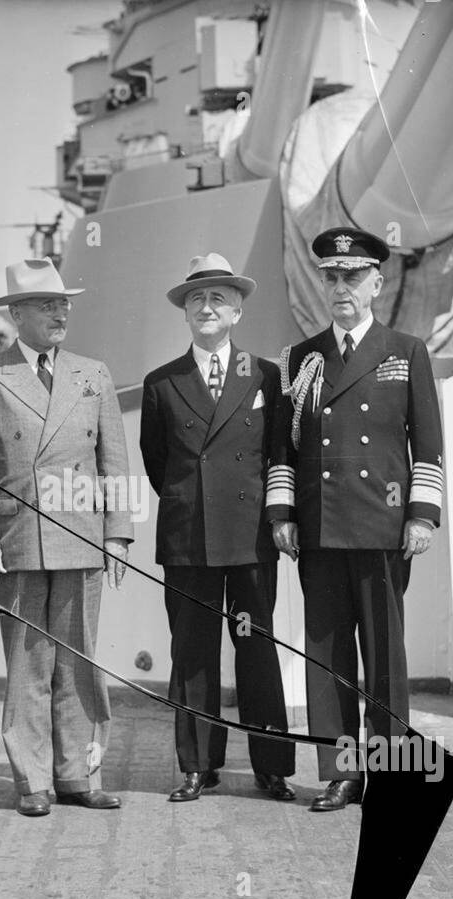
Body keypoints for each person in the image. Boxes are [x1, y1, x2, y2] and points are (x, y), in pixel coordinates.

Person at [266, 228, 443, 811]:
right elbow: (283, 451)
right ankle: (345, 773)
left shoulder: (406, 352)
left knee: (386, 657)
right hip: (320, 529)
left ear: (376, 283)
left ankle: (388, 771)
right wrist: (283, 514)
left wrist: (421, 516)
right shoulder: (300, 358)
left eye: (352, 277)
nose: (341, 288)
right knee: (329, 654)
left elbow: (428, 446)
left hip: (383, 525)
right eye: (331, 278)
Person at [0, 258, 132, 817]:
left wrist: (120, 534)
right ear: (16, 314)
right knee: (29, 665)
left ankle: (76, 774)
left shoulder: (92, 373)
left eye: (64, 303)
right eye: (48, 304)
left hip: (82, 537)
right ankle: (33, 780)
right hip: (18, 542)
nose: (61, 312)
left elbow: (114, 460)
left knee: (77, 660)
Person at [140, 254, 295, 803]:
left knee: (256, 647)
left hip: (250, 536)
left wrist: (276, 517)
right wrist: (192, 506)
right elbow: (159, 463)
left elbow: (278, 451)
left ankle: (271, 765)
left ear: (237, 312)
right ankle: (197, 765)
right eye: (196, 299)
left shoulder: (267, 376)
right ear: (185, 312)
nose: (206, 308)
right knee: (193, 650)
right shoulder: (162, 383)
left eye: (218, 299)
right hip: (188, 537)